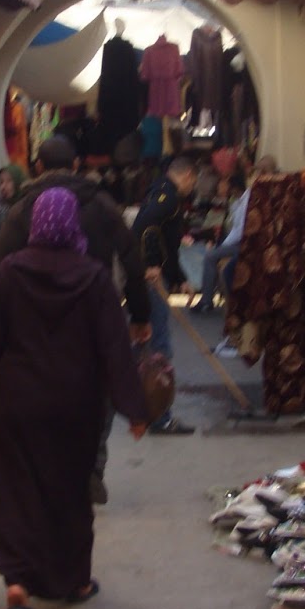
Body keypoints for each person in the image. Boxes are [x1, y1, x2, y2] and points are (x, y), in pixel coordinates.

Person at [0, 188, 148, 609]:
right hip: (75, 408)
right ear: (73, 226)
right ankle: (73, 581)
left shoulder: (8, 275)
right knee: (68, 494)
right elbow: (114, 348)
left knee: (16, 494)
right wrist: (134, 409)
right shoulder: (94, 277)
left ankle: (18, 585)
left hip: (14, 405)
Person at [0, 134, 151, 498]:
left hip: (35, 316)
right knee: (99, 390)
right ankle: (92, 467)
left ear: (38, 167)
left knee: (40, 388)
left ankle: (46, 467)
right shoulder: (101, 203)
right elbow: (131, 257)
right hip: (94, 309)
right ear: (77, 164)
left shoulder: (24, 206)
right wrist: (140, 313)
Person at [130, 155, 199, 435]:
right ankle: (160, 416)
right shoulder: (167, 198)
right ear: (187, 176)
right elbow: (145, 227)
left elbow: (165, 239)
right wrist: (151, 264)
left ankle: (139, 408)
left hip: (154, 277)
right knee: (160, 348)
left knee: (142, 344)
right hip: (152, 280)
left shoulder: (160, 191)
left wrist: (180, 278)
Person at [190, 154, 277, 314]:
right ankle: (210, 299)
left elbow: (241, 225)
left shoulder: (258, 193)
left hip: (247, 242)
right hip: (247, 239)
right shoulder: (254, 192)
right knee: (216, 254)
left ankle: (208, 301)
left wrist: (225, 244)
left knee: (213, 257)